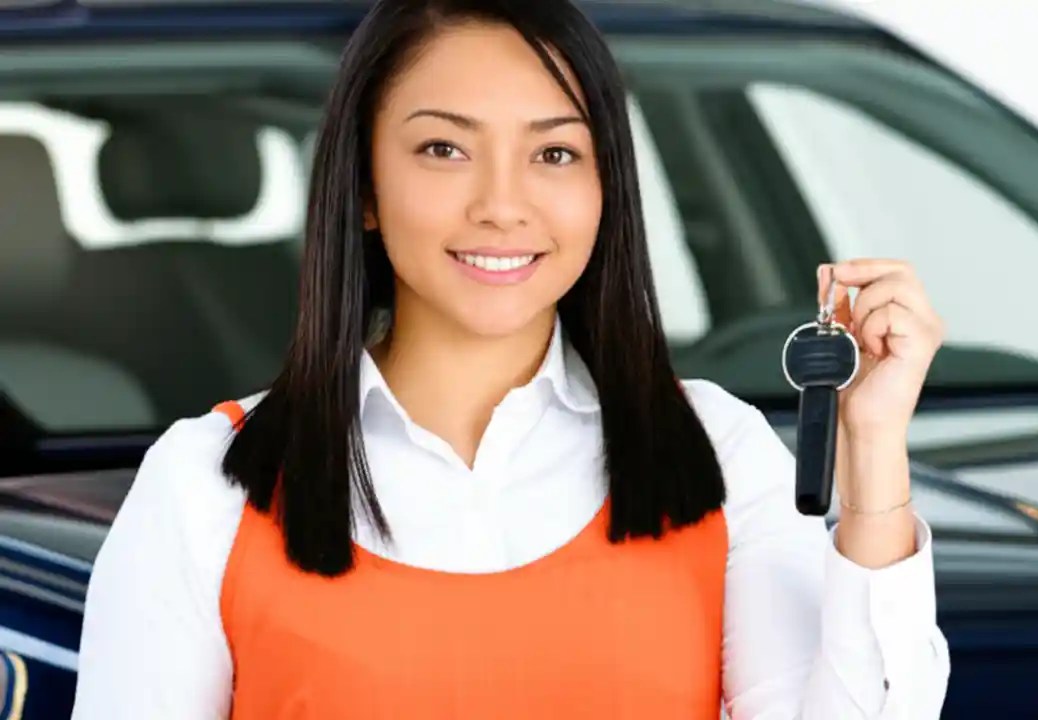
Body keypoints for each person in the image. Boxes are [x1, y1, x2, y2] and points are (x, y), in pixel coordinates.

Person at [72, 0, 950, 717]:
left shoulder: (715, 452)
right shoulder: (205, 484)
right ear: (364, 189)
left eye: (555, 152)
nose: (503, 204)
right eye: (444, 149)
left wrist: (873, 457)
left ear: (606, 187)